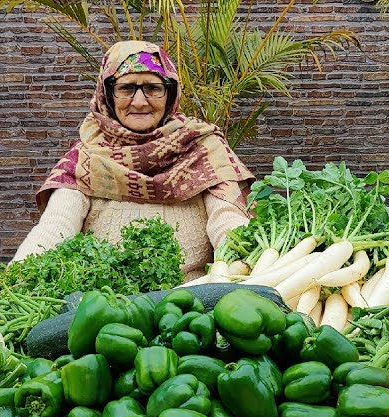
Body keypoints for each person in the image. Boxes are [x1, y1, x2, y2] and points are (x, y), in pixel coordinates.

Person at [13, 40, 255, 280]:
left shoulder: (202, 148)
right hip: (107, 306)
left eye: (153, 88)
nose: (140, 101)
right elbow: (55, 227)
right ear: (108, 94)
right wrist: (15, 281)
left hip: (192, 304)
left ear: (170, 94)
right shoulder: (87, 156)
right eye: (127, 88)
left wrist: (242, 265)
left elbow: (228, 220)